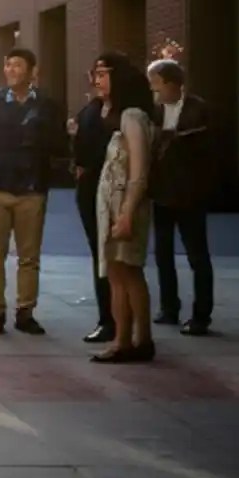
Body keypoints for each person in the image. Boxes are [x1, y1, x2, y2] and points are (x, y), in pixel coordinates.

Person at [0, 48, 66, 336]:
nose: (11, 70)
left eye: (18, 65)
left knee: (29, 256)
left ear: (32, 71)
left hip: (31, 189)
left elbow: (59, 144)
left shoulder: (47, 106)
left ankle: (26, 311)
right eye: (8, 64)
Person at [91, 52, 157, 363]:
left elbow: (139, 169)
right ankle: (133, 339)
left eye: (104, 73)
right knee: (121, 272)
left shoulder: (133, 116)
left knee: (125, 272)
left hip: (124, 203)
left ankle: (129, 340)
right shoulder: (123, 114)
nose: (98, 79)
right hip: (114, 201)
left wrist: (127, 212)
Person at [147, 58, 215, 336]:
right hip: (161, 192)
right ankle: (169, 307)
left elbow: (209, 150)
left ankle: (201, 315)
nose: (154, 92)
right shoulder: (153, 111)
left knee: (197, 256)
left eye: (156, 85)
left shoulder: (200, 110)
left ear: (172, 84)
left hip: (190, 194)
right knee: (162, 253)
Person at [72, 72, 115, 343]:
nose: (96, 80)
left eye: (103, 74)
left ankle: (122, 320)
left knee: (119, 260)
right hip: (89, 187)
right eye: (94, 74)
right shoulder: (92, 109)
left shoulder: (129, 112)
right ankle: (107, 318)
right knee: (99, 254)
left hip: (115, 187)